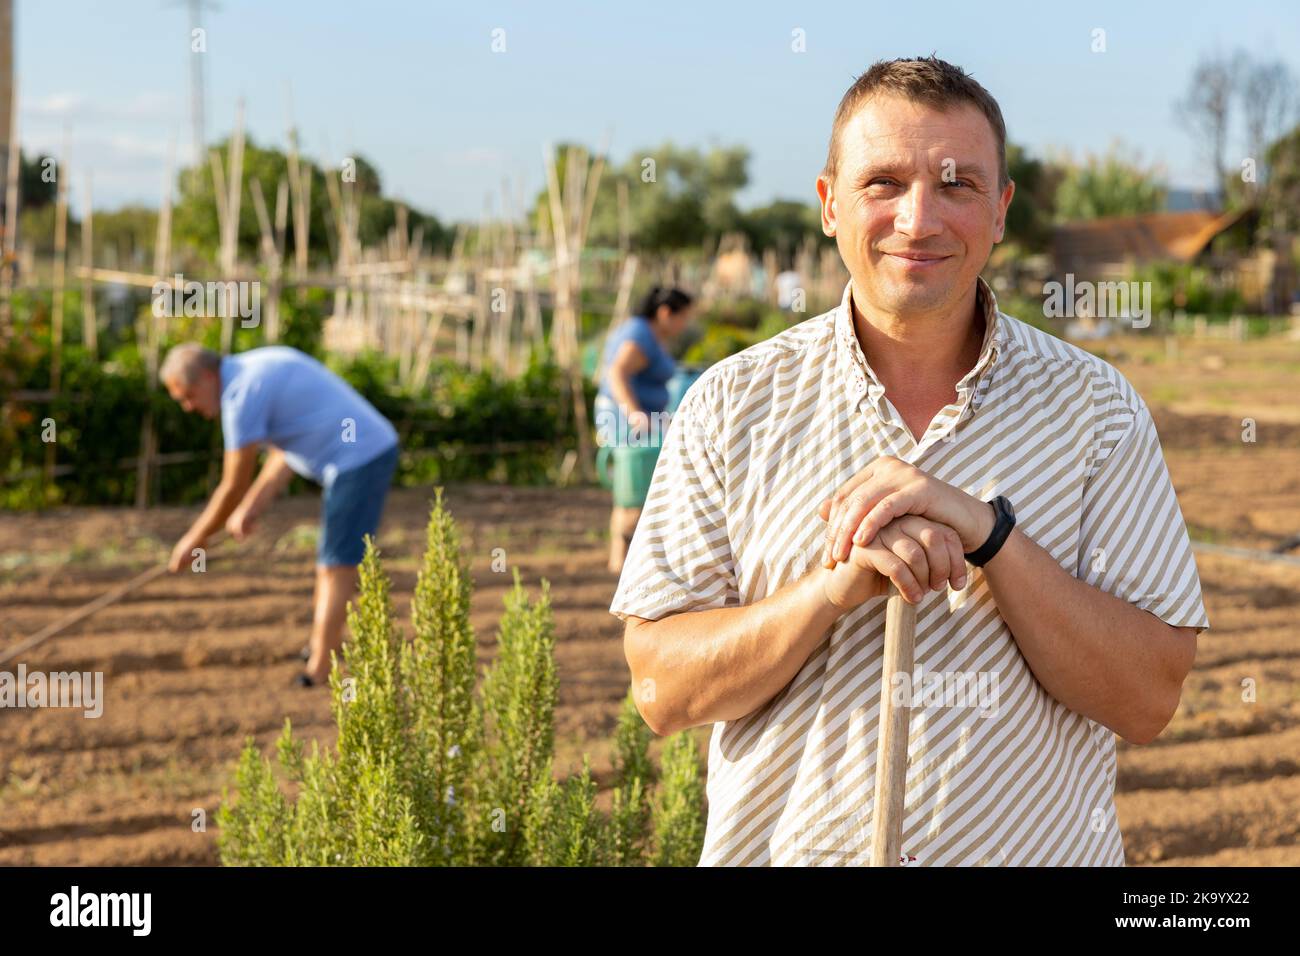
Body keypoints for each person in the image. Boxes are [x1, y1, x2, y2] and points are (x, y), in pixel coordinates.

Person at [611, 56, 1207, 866]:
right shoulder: (729, 405)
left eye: (957, 185)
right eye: (883, 183)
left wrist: (993, 540)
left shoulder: (1097, 411)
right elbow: (660, 690)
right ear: (829, 204)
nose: (918, 219)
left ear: (1000, 212)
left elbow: (1147, 699)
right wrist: (828, 592)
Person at [161, 343, 400, 688]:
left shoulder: (241, 395)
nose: (188, 407)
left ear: (208, 377)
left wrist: (194, 540)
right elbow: (285, 448)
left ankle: (320, 668)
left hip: (360, 457)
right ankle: (321, 647)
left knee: (336, 564)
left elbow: (232, 486)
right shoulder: (254, 368)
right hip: (359, 453)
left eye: (188, 396)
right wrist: (253, 506)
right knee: (330, 562)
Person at [594, 286, 694, 573]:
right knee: (634, 491)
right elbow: (616, 373)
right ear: (665, 313)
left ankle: (621, 559)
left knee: (629, 491)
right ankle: (627, 559)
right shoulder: (640, 334)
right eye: (683, 317)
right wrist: (635, 414)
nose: (685, 325)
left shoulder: (646, 334)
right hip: (627, 423)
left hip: (639, 421)